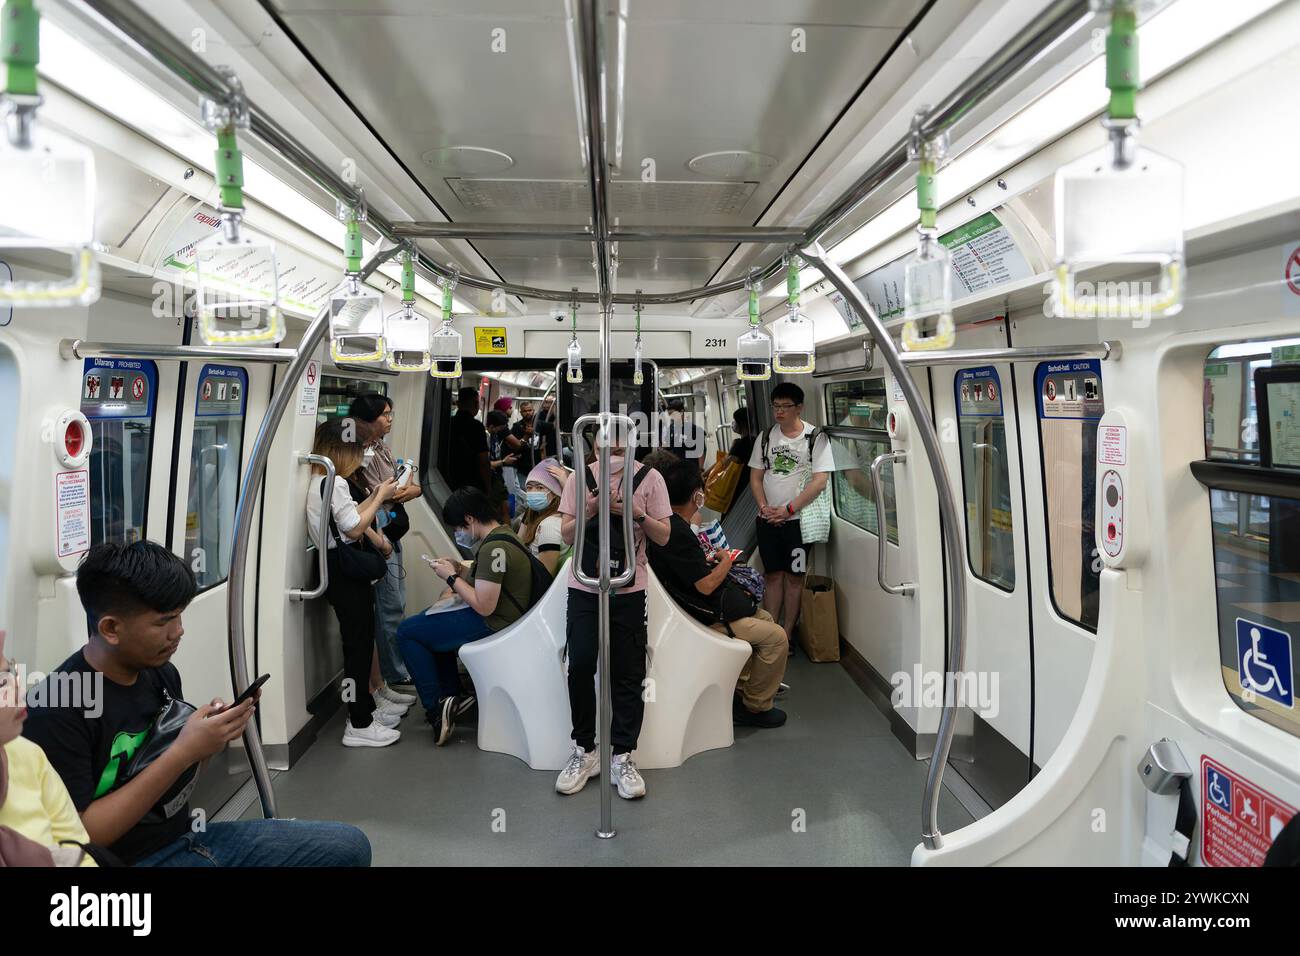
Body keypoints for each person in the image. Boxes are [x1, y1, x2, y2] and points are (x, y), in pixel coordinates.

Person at [22, 542, 372, 866]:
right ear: (111, 629)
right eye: (163, 622)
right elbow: (83, 835)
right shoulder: (57, 708)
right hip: (125, 862)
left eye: (179, 616)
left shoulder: (159, 674)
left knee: (349, 846)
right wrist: (183, 752)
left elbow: (174, 790)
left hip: (186, 839)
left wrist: (209, 743)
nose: (178, 631)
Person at [555, 424, 672, 800]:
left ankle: (622, 753)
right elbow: (566, 535)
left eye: (620, 448)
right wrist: (590, 509)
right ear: (594, 447)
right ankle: (584, 749)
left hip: (629, 588)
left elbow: (664, 536)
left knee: (628, 670)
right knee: (580, 663)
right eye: (605, 446)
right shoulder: (579, 479)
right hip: (585, 585)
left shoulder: (650, 479)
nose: (613, 454)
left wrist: (637, 514)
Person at [648, 464, 788, 727]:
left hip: (694, 606)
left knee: (766, 618)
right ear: (696, 495)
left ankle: (743, 687)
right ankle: (755, 707)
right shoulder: (678, 535)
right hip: (705, 616)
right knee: (777, 638)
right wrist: (725, 560)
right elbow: (706, 586)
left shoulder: (666, 526)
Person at [396, 487, 535, 745]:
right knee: (428, 627)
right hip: (506, 615)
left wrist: (450, 578)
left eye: (458, 527)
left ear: (469, 519)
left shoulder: (494, 549)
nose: (458, 533)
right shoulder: (504, 535)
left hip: (493, 622)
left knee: (407, 632)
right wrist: (460, 569)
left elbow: (484, 606)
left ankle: (436, 709)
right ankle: (451, 695)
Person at [305, 420, 403, 747]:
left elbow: (346, 517)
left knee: (356, 643)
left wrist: (373, 496)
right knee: (358, 648)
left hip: (333, 568)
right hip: (345, 570)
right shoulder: (335, 482)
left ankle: (365, 711)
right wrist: (381, 498)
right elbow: (354, 528)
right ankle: (359, 723)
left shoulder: (319, 481)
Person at [749, 382, 834, 650]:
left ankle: (786, 635)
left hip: (797, 523)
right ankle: (771, 632)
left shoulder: (815, 438)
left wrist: (787, 510)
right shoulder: (765, 437)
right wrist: (764, 506)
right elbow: (756, 477)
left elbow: (820, 482)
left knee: (795, 577)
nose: (779, 411)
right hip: (768, 521)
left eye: (786, 406)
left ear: (799, 408)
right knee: (772, 575)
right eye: (776, 406)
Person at [348, 393, 420, 708]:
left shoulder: (381, 447)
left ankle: (391, 673)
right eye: (385, 415)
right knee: (389, 607)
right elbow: (383, 493)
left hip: (392, 532)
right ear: (366, 419)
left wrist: (407, 489)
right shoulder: (357, 453)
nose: (390, 420)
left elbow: (401, 488)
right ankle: (394, 674)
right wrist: (399, 491)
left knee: (397, 603)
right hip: (378, 536)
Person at [0, 630, 97, 866]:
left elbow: (78, 849)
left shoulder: (27, 753)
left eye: (11, 672)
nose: (20, 690)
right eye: (2, 683)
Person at [516, 458, 568, 575]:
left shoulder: (549, 526)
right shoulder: (533, 513)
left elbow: (545, 575)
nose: (533, 492)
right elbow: (518, 544)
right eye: (529, 487)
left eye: (540, 487)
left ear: (555, 493)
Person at [448, 386, 491, 493]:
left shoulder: (447, 423)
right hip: (471, 480)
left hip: (448, 477)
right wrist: (488, 488)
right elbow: (483, 462)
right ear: (476, 404)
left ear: (458, 403)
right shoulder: (476, 427)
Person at [485, 409, 520, 520]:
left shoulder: (495, 436)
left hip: (497, 476)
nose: (501, 430)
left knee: (506, 509)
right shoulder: (485, 438)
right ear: (492, 426)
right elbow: (487, 464)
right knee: (497, 511)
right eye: (500, 428)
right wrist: (504, 462)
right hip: (490, 478)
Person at [659, 397, 706, 466]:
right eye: (669, 415)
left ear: (681, 412)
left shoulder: (695, 430)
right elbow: (667, 447)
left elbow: (701, 452)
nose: (671, 417)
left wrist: (700, 468)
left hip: (690, 467)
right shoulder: (671, 428)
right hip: (676, 467)